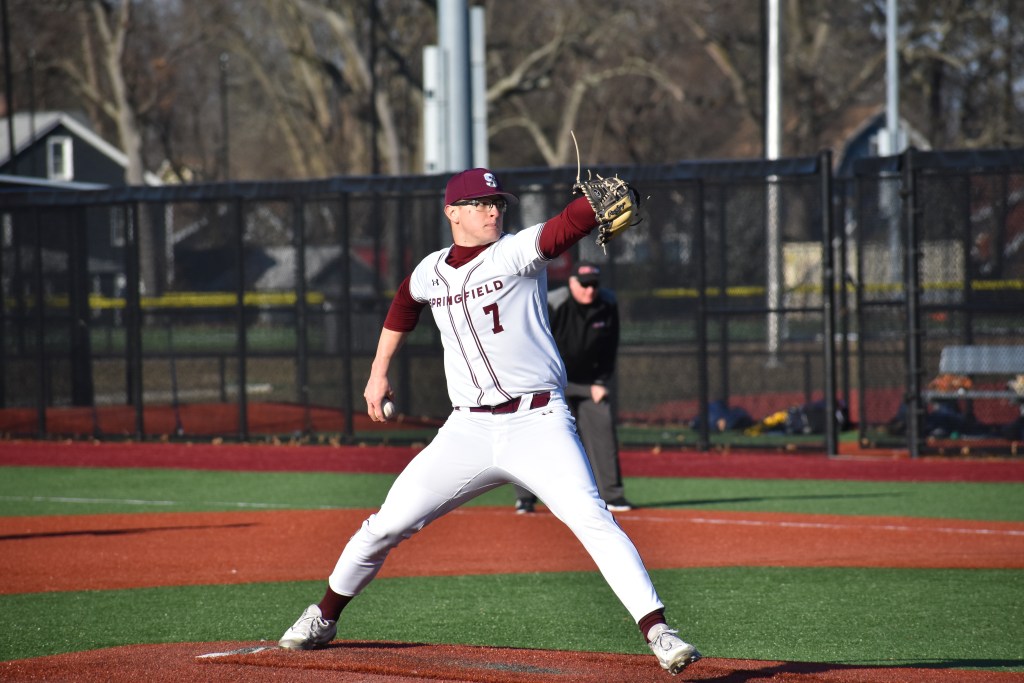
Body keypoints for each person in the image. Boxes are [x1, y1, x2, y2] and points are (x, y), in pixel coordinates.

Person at [277, 167, 701, 675]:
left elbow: (563, 227)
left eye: (497, 202)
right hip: (468, 431)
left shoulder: (516, 252)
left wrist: (593, 209)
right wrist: (378, 372)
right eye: (479, 203)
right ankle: (323, 616)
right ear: (452, 212)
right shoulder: (431, 271)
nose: (493, 210)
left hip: (538, 421)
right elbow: (404, 304)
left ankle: (658, 631)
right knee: (384, 525)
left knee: (593, 518)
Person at [513, 261, 632, 513]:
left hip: (590, 384)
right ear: (572, 283)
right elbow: (533, 343)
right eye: (585, 284)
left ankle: (612, 495)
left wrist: (601, 381)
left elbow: (610, 348)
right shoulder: (554, 303)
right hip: (551, 383)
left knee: (602, 427)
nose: (590, 290)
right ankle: (525, 497)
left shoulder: (607, 303)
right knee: (538, 436)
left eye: (594, 285)